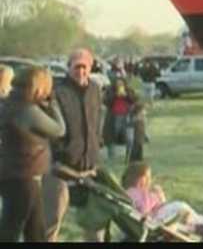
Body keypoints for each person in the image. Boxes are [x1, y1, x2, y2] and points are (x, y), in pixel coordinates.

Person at [44, 48, 106, 242]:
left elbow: (96, 120)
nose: (80, 72)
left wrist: (97, 144)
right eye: (76, 67)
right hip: (61, 168)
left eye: (84, 67)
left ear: (91, 67)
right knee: (51, 223)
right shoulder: (58, 91)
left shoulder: (95, 88)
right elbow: (51, 127)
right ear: (68, 67)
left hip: (89, 167)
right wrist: (59, 152)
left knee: (95, 225)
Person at [1, 66, 66, 241]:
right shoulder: (27, 110)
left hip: (16, 175)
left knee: (35, 231)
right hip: (24, 177)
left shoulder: (9, 103)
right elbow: (59, 130)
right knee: (12, 231)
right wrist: (53, 105)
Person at [122, 162, 203, 239]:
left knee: (180, 215)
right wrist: (155, 196)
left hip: (152, 220)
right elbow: (144, 209)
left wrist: (158, 197)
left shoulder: (132, 192)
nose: (149, 181)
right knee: (180, 206)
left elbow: (150, 207)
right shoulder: (133, 193)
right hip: (152, 221)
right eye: (148, 178)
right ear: (141, 180)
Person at [102, 76, 142, 164]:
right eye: (117, 84)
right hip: (113, 117)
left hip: (127, 117)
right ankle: (111, 157)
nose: (119, 85)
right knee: (111, 137)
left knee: (129, 138)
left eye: (121, 83)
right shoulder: (111, 91)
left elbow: (136, 100)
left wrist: (127, 95)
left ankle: (128, 157)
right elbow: (105, 101)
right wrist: (115, 95)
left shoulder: (129, 91)